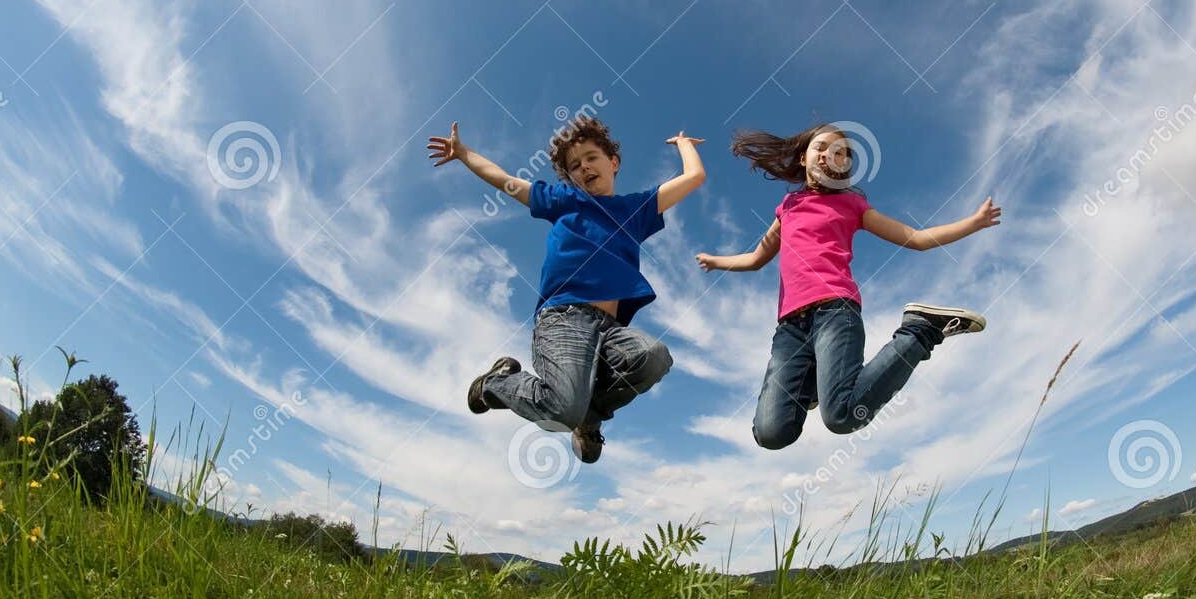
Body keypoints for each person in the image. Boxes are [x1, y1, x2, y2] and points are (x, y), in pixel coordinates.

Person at [696, 123, 1000, 450]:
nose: (833, 154)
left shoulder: (851, 205)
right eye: (823, 147)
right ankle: (810, 385)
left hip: (835, 312)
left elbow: (916, 238)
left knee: (842, 415)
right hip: (790, 329)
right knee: (770, 434)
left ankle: (920, 332)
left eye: (842, 152)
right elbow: (757, 258)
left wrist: (974, 223)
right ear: (803, 158)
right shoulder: (787, 208)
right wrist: (717, 260)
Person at [428, 115, 705, 463]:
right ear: (570, 177)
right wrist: (464, 154)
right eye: (575, 165)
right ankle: (496, 383)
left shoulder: (635, 209)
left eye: (591, 157)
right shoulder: (563, 201)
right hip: (564, 318)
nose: (584, 167)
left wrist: (683, 144)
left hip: (611, 331)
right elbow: (506, 181)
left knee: (653, 357)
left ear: (613, 163)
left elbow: (694, 177)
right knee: (560, 411)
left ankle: (589, 417)